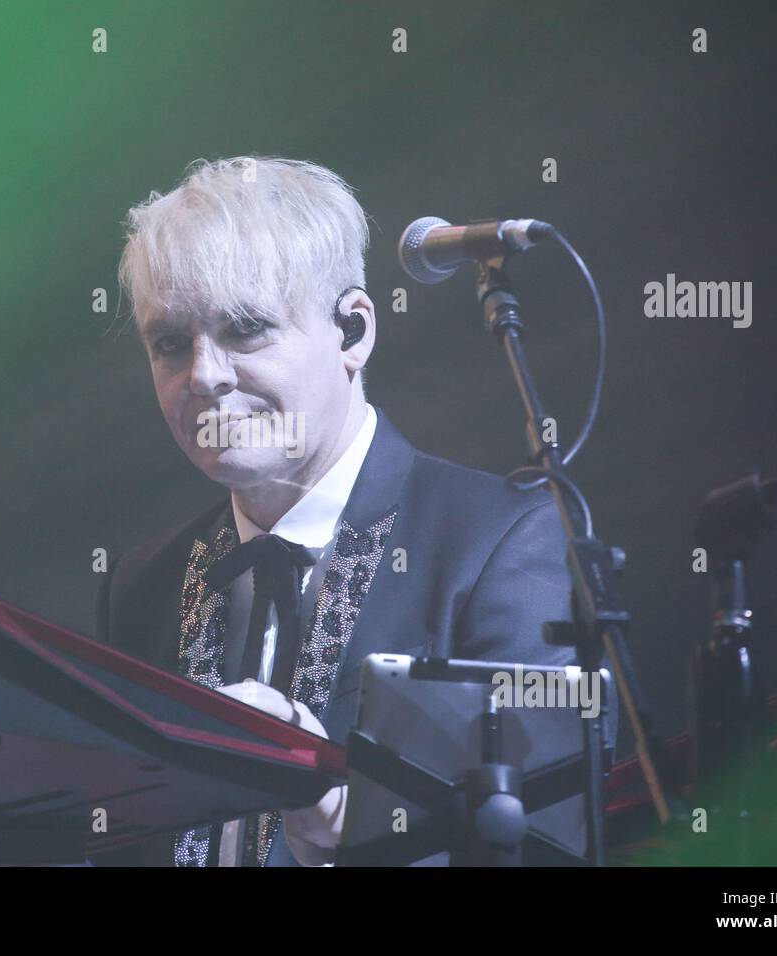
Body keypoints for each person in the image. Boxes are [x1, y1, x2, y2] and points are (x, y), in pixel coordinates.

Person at [97, 155, 579, 866]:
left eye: (245, 329)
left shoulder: (496, 542)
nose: (203, 376)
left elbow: (544, 848)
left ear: (352, 333)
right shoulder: (141, 584)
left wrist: (344, 818)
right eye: (171, 343)